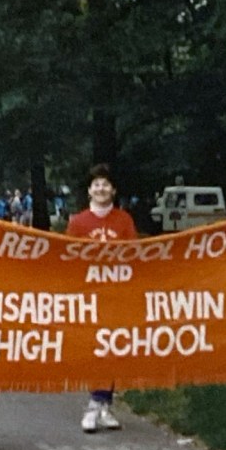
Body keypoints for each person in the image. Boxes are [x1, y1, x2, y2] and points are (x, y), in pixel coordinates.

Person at [66, 163, 137, 432]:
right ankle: (95, 403)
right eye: (96, 184)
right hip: (89, 294)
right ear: (89, 190)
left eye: (106, 184)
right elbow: (68, 256)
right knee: (94, 348)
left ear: (113, 190)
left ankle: (103, 405)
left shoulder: (124, 220)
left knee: (112, 347)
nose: (101, 188)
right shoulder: (78, 222)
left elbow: (135, 255)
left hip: (116, 294)